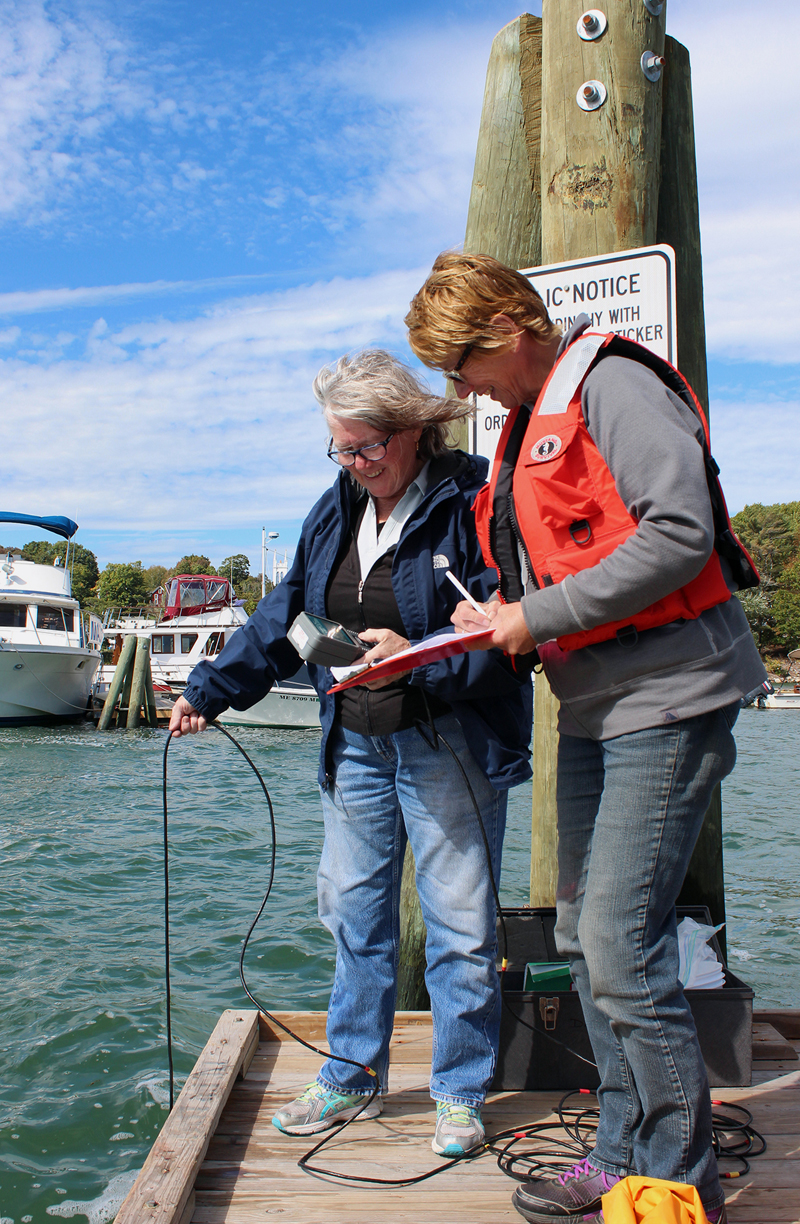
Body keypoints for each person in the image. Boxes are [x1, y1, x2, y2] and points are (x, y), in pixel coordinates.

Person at [404, 253, 768, 1223]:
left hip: (670, 695)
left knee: (617, 941)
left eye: (462, 367)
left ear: (507, 333)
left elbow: (678, 532)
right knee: (581, 936)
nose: (462, 391)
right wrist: (500, 613)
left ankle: (674, 1181)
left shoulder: (612, 384)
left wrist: (537, 614)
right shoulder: (530, 418)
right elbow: (562, 562)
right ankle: (616, 1153)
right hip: (594, 706)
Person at [169, 348, 533, 1158]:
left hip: (451, 744)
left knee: (461, 927)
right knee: (354, 917)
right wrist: (208, 690)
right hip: (357, 745)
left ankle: (459, 1092)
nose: (356, 463)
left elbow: (512, 630)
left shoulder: (477, 497)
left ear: (412, 430)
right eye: (341, 449)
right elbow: (286, 616)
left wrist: (417, 654)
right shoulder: (334, 508)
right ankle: (351, 1074)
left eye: (368, 446)